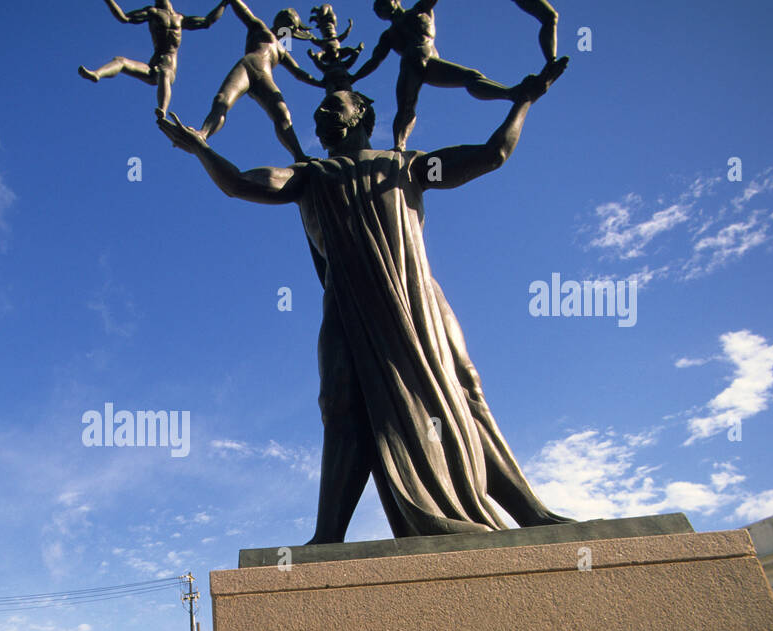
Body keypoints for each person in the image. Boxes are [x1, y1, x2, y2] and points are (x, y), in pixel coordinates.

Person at [156, 66, 571, 541]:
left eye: (333, 107)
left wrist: (524, 100)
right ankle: (327, 536)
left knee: (465, 387)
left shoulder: (407, 165)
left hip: (417, 300)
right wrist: (201, 149)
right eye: (317, 113)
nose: (321, 119)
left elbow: (493, 153)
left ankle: (533, 512)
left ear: (363, 115)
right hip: (348, 306)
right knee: (339, 400)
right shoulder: (310, 176)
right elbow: (242, 184)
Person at [348, 0, 565, 151]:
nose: (383, 9)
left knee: (471, 77)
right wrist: (354, 77)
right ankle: (399, 145)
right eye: (379, 10)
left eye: (384, 4)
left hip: (430, 62)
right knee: (406, 107)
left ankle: (511, 93)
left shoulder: (421, 10)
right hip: (410, 66)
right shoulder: (389, 36)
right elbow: (374, 60)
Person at [199, 3, 325, 161]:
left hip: (265, 77)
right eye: (288, 20)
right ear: (278, 20)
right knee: (223, 100)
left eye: (292, 25)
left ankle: (299, 156)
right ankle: (203, 133)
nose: (289, 25)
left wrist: (321, 82)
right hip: (248, 66)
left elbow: (298, 73)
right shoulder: (260, 27)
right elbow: (244, 12)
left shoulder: (282, 49)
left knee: (282, 114)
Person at [79, 0, 229, 119]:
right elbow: (124, 18)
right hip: (152, 67)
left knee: (163, 74)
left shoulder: (180, 18)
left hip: (168, 67)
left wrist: (224, 3)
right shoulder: (152, 12)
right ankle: (97, 74)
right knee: (121, 60)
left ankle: (162, 109)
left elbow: (207, 22)